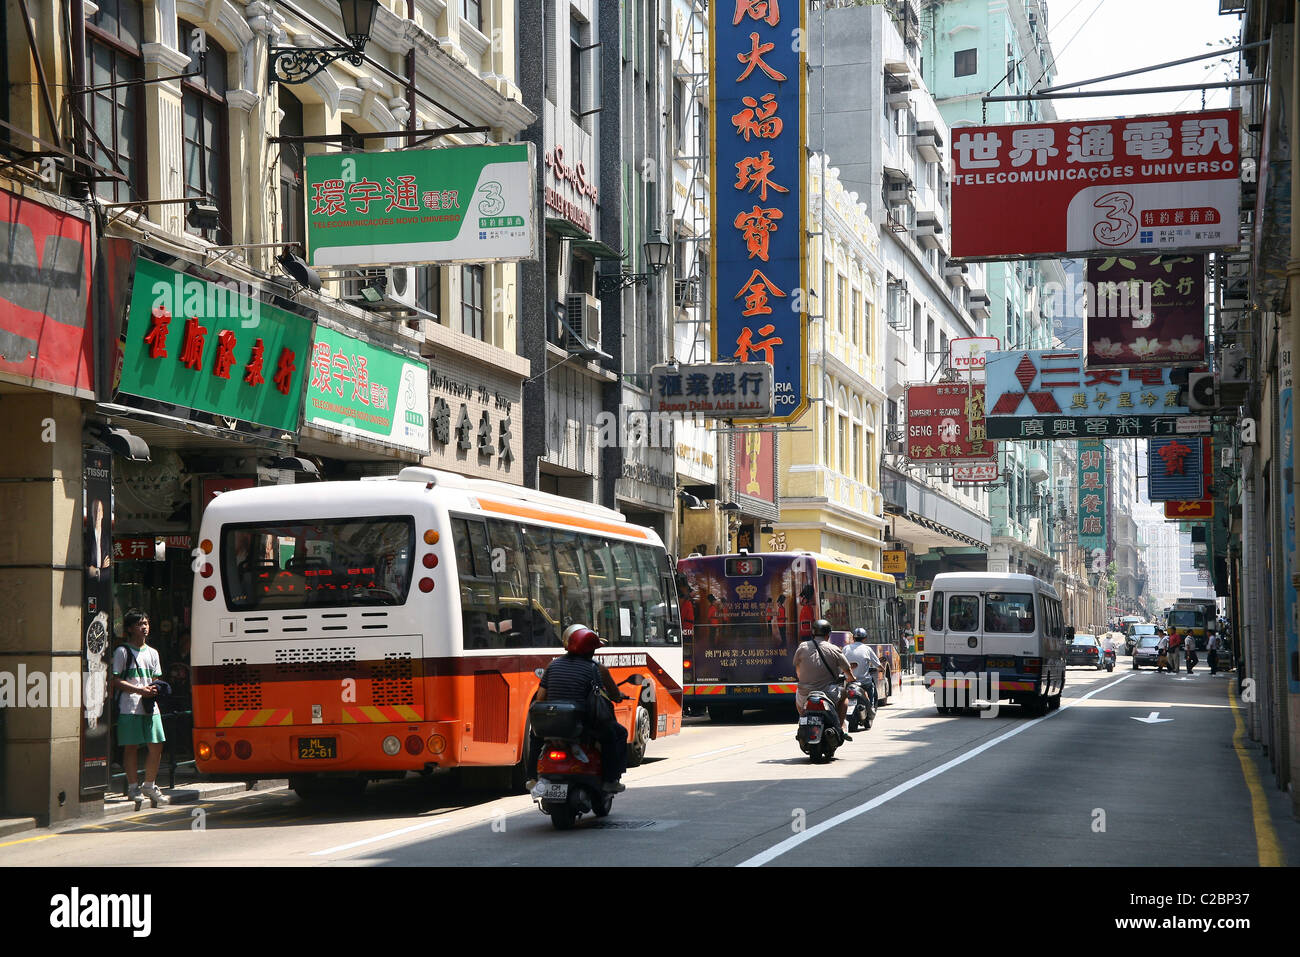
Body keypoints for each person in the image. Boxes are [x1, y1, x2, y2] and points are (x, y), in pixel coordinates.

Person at [533, 624, 629, 793]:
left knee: (535, 737)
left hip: (552, 724)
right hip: (582, 726)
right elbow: (602, 696)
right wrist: (617, 696)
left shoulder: (552, 666)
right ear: (591, 651)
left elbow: (540, 698)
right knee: (618, 733)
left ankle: (531, 778)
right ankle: (610, 780)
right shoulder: (595, 669)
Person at [112, 609, 169, 807]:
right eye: (139, 624)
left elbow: (155, 678)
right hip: (129, 707)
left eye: (145, 623)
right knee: (131, 747)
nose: (144, 627)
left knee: (157, 744)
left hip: (150, 706)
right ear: (129, 628)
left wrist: (154, 688)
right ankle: (133, 786)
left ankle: (149, 784)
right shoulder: (122, 651)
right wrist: (139, 690)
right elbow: (115, 680)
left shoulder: (153, 653)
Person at [793, 619, 857, 740]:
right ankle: (841, 726)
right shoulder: (834, 649)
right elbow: (847, 668)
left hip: (805, 693)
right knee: (844, 696)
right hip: (828, 692)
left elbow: (798, 669)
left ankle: (803, 719)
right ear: (828, 634)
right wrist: (851, 678)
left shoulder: (802, 647)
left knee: (797, 694)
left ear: (813, 633)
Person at [843, 627, 881, 710]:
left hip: (849, 681)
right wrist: (882, 669)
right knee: (871, 687)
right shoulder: (867, 649)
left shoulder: (846, 648)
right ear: (865, 639)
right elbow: (878, 665)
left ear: (853, 638)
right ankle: (871, 707)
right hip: (864, 682)